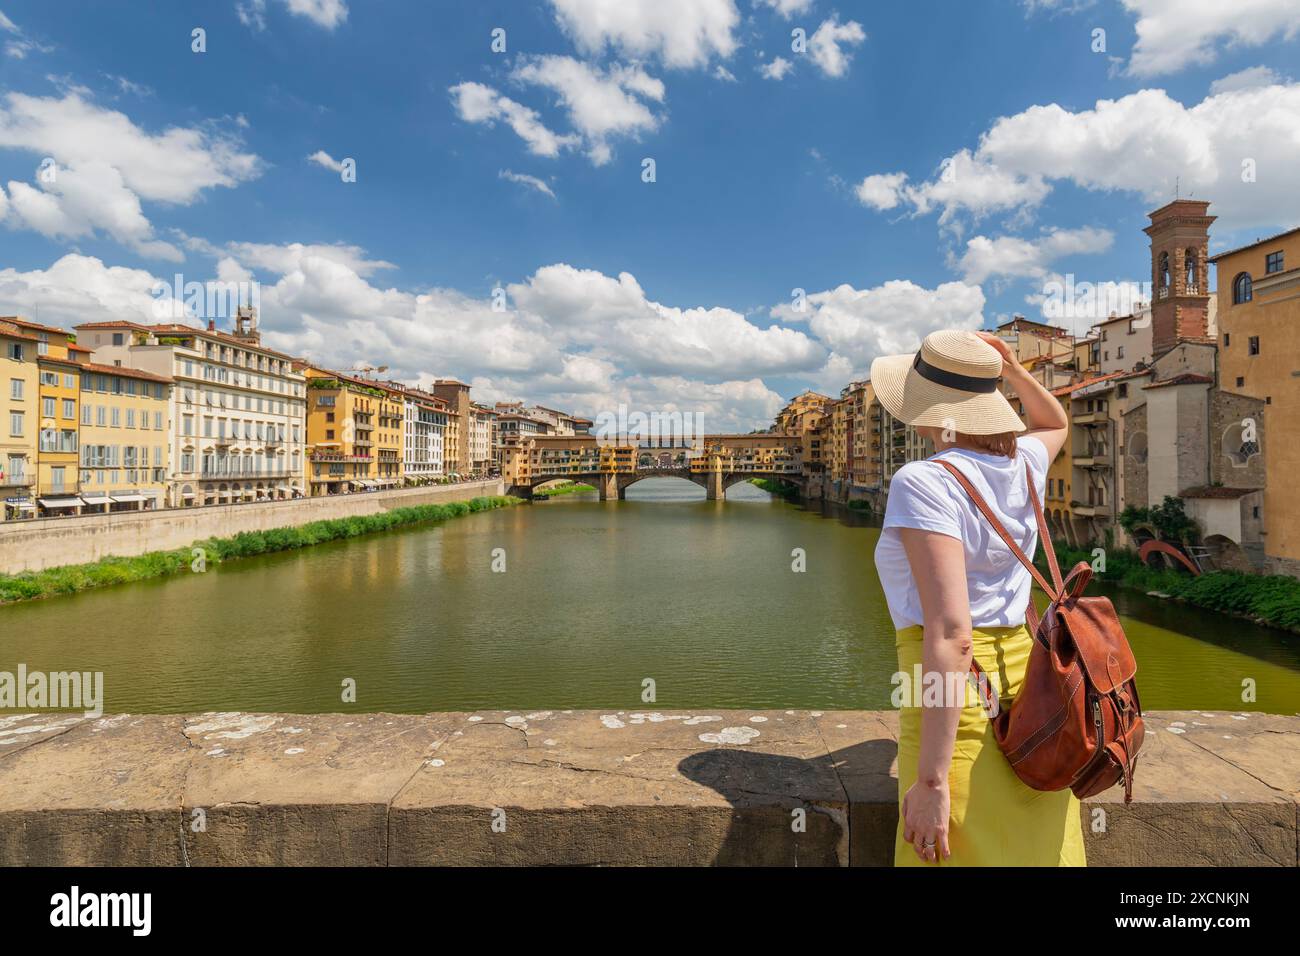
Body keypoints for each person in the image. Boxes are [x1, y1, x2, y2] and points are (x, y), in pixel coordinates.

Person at [869, 328, 1082, 866]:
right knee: (1032, 847)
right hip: (1035, 689)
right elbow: (1055, 422)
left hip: (953, 696)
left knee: (948, 847)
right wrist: (1011, 371)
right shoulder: (1024, 465)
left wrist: (931, 781)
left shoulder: (924, 482)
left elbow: (951, 635)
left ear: (934, 409)